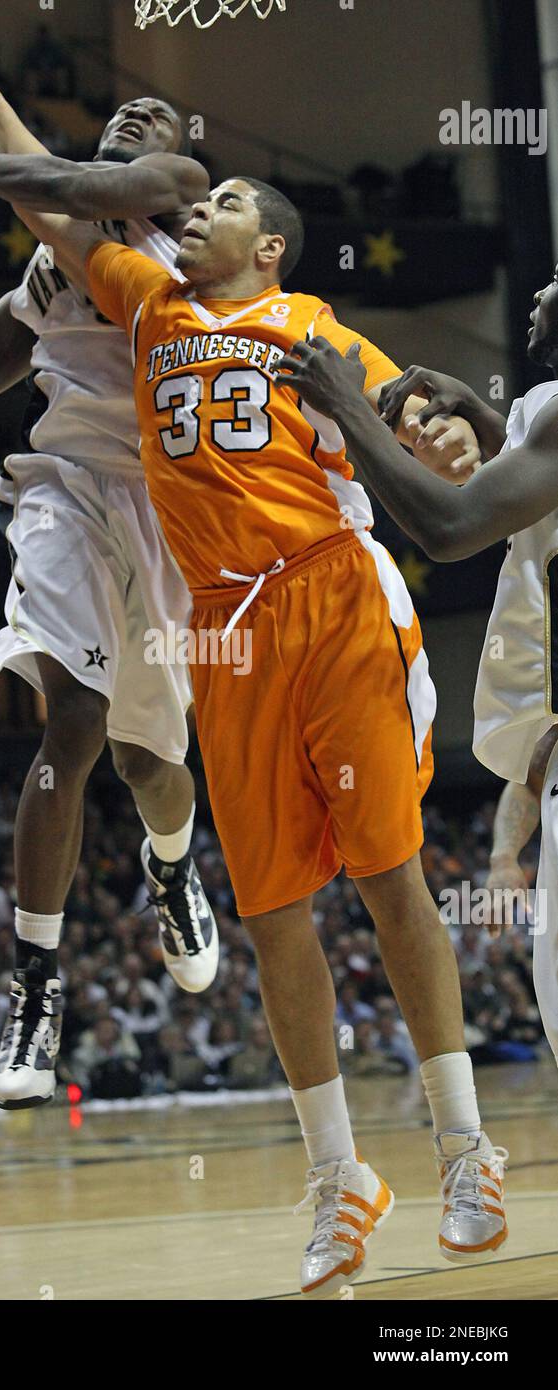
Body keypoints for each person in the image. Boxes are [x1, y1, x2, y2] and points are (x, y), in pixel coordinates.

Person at [0, 132, 508, 1295]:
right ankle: (337, 1178)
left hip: (329, 597)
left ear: (264, 244)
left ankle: (463, 1144)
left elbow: (427, 438)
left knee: (387, 878)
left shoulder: (313, 326)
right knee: (272, 913)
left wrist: (454, 430)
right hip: (223, 633)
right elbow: (60, 209)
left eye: (219, 200)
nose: (193, 213)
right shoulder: (149, 304)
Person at [0, 55, 222, 1114]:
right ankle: (37, 986)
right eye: (121, 110)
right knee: (68, 723)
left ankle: (171, 864)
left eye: (150, 113)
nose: (132, 116)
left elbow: (76, 192)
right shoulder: (48, 258)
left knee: (148, 759)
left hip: (167, 511)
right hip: (63, 489)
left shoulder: (172, 205)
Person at [279, 259, 558, 1083]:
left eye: (556, 279)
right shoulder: (538, 419)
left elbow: (451, 525)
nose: (539, 292)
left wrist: (343, 410)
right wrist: (478, 410)